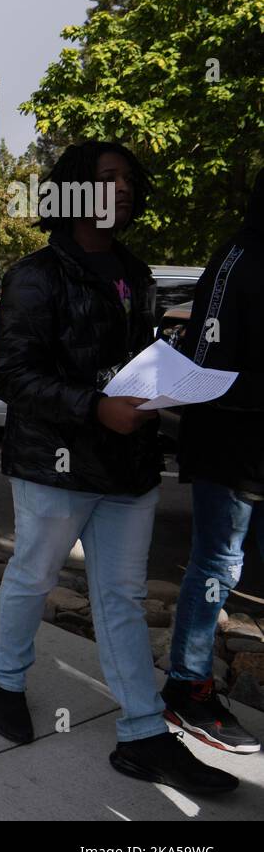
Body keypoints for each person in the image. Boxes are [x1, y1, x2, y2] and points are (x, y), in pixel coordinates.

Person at [0, 140, 237, 795]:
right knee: (34, 575)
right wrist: (95, 406)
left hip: (127, 467)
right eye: (106, 177)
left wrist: (164, 391)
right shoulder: (36, 275)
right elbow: (12, 375)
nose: (122, 187)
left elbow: (134, 363)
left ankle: (143, 733)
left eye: (129, 178)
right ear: (73, 189)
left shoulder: (137, 271)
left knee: (121, 597)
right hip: (55, 464)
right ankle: (7, 681)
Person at [164, 169, 264, 754]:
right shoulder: (240, 256)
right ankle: (188, 685)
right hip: (231, 451)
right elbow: (204, 370)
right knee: (218, 566)